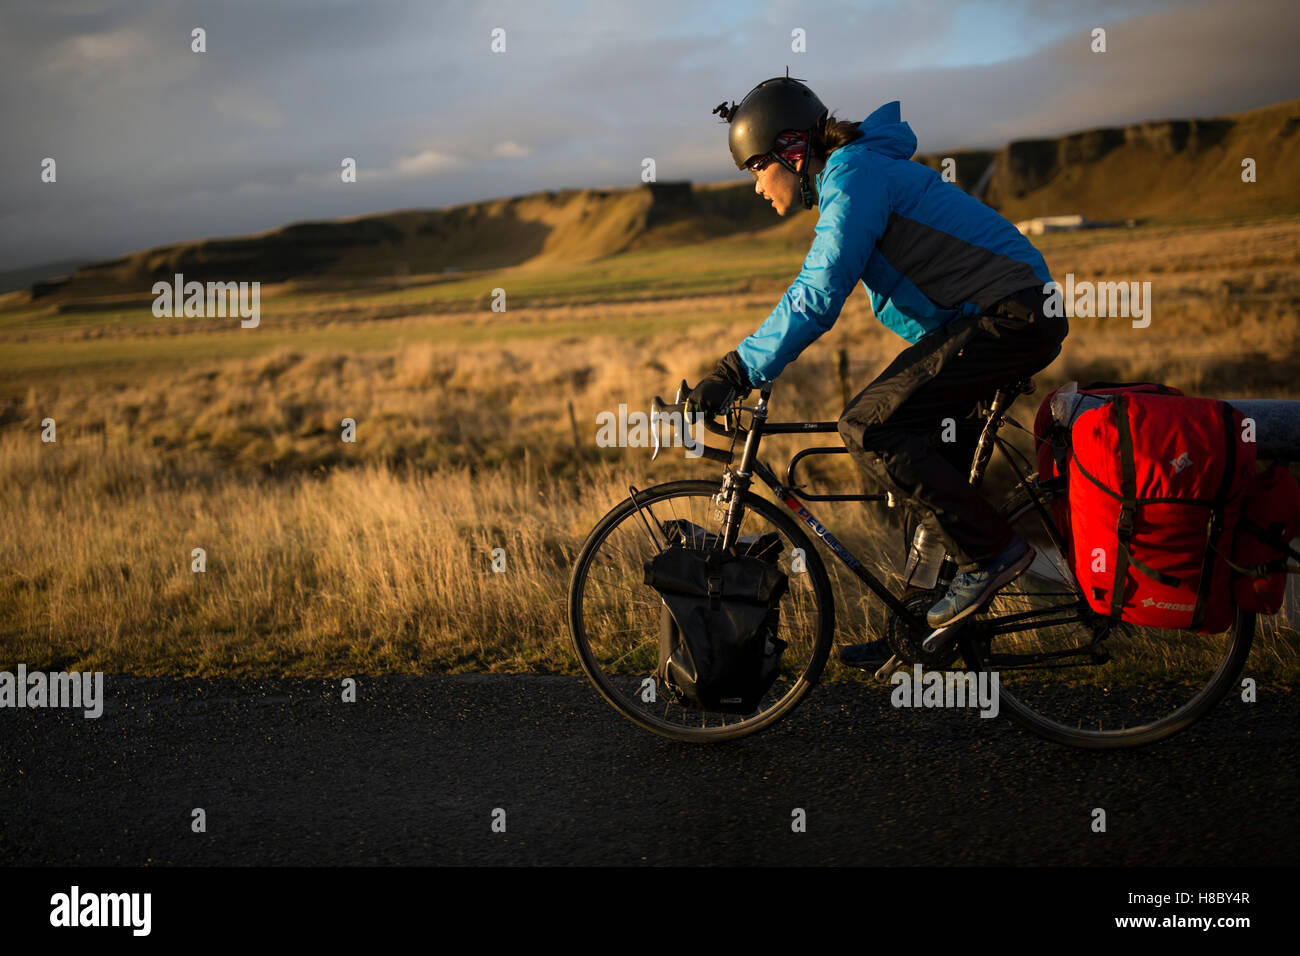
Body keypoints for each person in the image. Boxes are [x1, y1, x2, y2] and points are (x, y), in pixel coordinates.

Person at [690, 75, 1069, 665]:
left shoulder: (853, 176)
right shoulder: (858, 173)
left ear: (792, 151)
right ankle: (918, 630)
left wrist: (738, 369)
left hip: (1010, 316)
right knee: (933, 475)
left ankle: (996, 557)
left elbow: (819, 291)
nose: (756, 186)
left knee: (869, 426)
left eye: (756, 168)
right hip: (1000, 316)